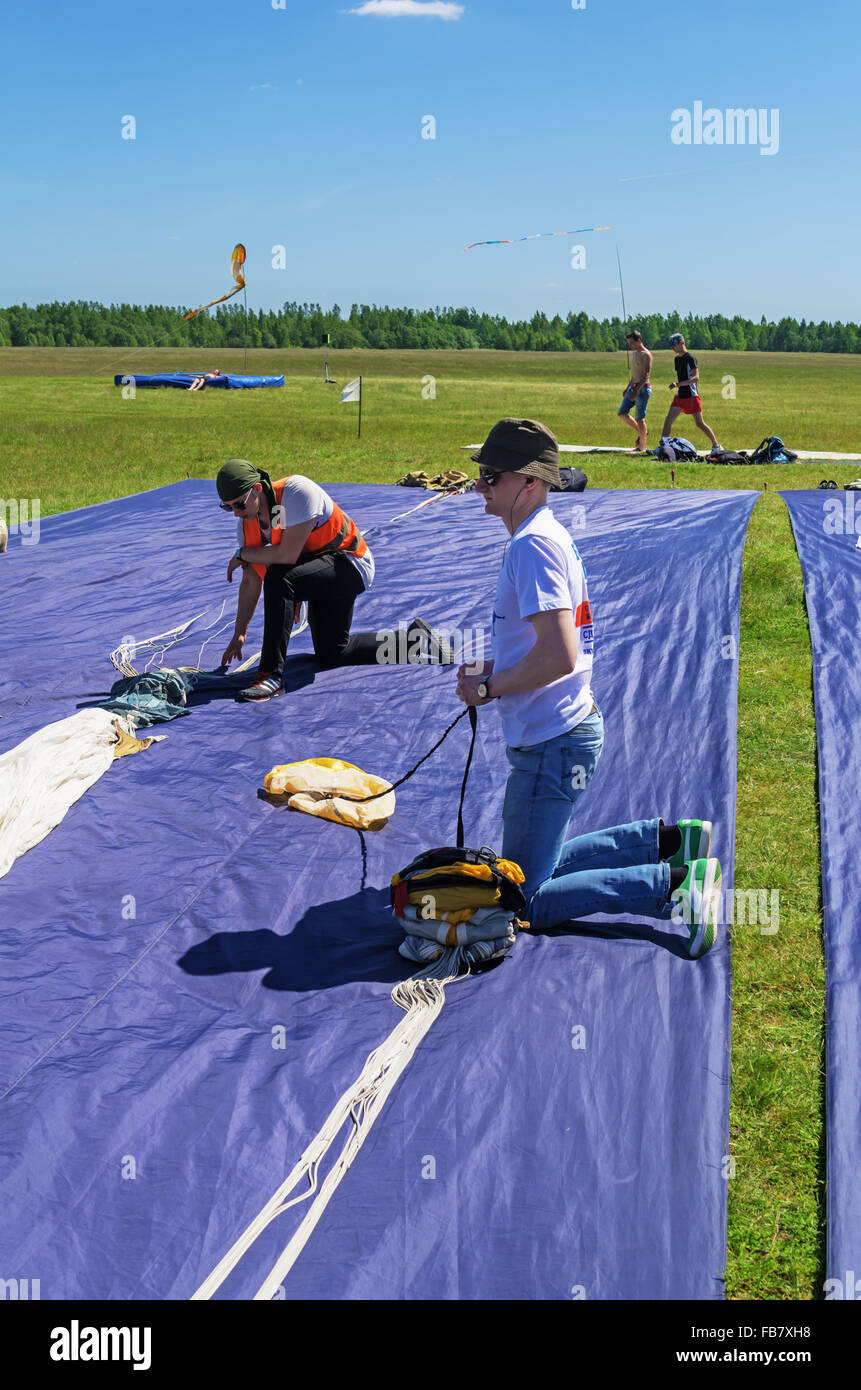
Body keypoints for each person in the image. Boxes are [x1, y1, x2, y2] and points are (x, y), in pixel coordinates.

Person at [454, 417, 721, 956]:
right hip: (565, 730)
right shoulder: (544, 535)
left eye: (491, 475)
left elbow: (558, 653)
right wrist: (493, 667)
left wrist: (489, 689)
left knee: (522, 899)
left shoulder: (530, 547)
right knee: (544, 863)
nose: (480, 486)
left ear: (530, 482)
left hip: (551, 741)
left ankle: (675, 889)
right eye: (481, 474)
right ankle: (670, 842)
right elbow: (548, 640)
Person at [217, 459, 445, 701]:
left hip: (351, 563)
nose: (236, 513)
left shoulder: (296, 492)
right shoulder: (247, 525)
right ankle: (414, 642)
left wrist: (242, 554)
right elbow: (251, 581)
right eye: (227, 507)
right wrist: (239, 633)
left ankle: (270, 675)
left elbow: (286, 555)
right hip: (319, 571)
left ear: (258, 489)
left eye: (239, 504)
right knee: (332, 654)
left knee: (279, 578)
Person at [661, 334, 722, 450]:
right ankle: (664, 446)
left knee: (700, 423)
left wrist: (677, 384)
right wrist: (678, 386)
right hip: (680, 396)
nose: (672, 348)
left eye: (674, 345)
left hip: (691, 396)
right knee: (668, 420)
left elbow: (696, 378)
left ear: (681, 343)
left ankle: (716, 445)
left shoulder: (690, 358)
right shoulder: (677, 359)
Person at [617, 329, 652, 452]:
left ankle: (642, 448)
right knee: (622, 413)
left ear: (639, 340)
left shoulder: (646, 354)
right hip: (633, 387)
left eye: (632, 343)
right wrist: (627, 388)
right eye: (628, 343)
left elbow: (646, 375)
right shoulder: (635, 354)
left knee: (639, 418)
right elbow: (635, 374)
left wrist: (637, 390)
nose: (630, 346)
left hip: (642, 389)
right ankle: (643, 432)